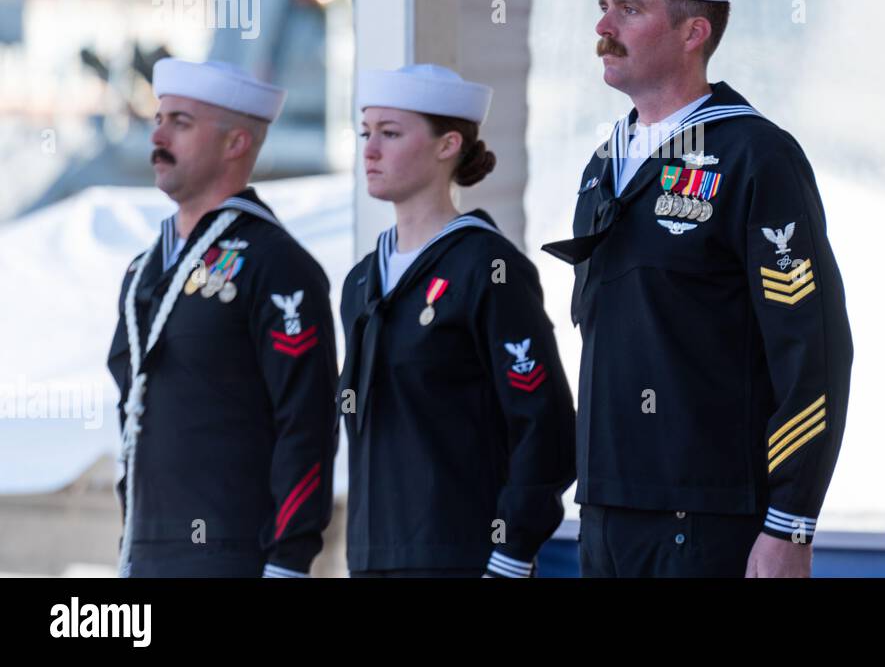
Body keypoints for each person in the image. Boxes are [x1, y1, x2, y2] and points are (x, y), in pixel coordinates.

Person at [543, 0, 853, 577]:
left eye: (628, 9)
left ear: (693, 32)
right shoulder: (602, 165)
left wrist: (790, 520)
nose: (603, 27)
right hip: (606, 509)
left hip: (708, 518)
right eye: (603, 6)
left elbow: (812, 348)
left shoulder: (755, 156)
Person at [339, 64, 576, 578]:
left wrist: (511, 555)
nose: (370, 150)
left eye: (391, 133)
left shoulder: (487, 267)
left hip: (465, 559)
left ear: (448, 145)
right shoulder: (361, 282)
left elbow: (545, 424)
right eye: (366, 133)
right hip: (373, 560)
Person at [108, 58, 339, 577]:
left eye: (181, 122)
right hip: (147, 555)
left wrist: (288, 562)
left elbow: (306, 424)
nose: (159, 134)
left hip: (237, 559)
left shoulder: (276, 263)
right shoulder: (143, 269)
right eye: (158, 118)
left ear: (236, 143)